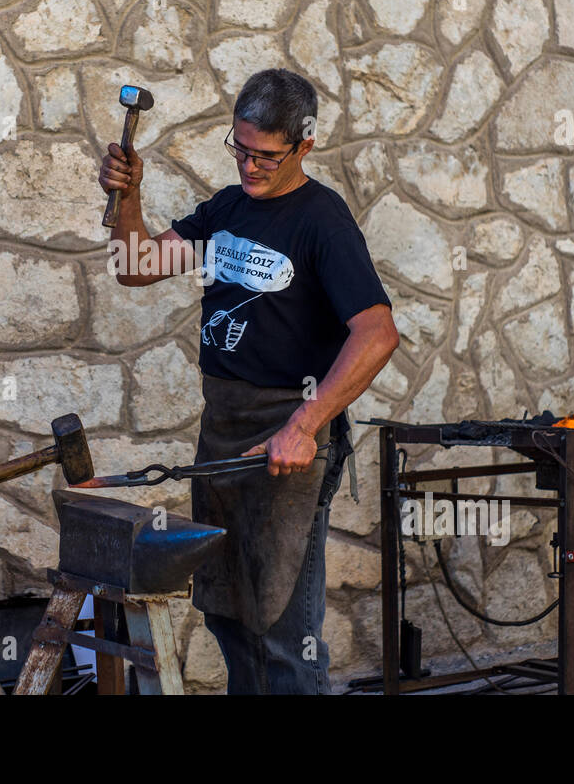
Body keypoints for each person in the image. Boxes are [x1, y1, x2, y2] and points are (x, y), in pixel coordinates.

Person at [97, 69, 399, 694]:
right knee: (229, 610)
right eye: (240, 149)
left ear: (304, 146)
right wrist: (129, 197)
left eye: (267, 156)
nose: (250, 166)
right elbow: (136, 266)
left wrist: (304, 425)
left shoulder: (323, 220)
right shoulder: (229, 208)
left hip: (288, 438)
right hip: (225, 433)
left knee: (283, 628)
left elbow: (377, 334)